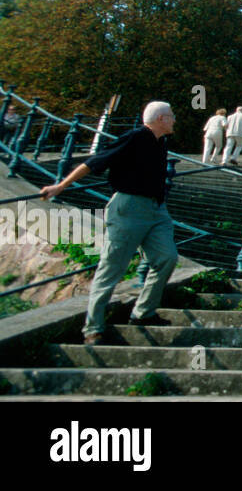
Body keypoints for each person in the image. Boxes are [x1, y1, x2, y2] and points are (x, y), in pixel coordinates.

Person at [40, 101, 179, 345]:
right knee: (111, 267)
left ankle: (142, 313)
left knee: (167, 258)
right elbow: (94, 161)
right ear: (161, 119)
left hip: (156, 209)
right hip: (129, 208)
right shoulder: (135, 137)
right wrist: (61, 186)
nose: (175, 119)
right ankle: (93, 328)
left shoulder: (161, 142)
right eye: (172, 116)